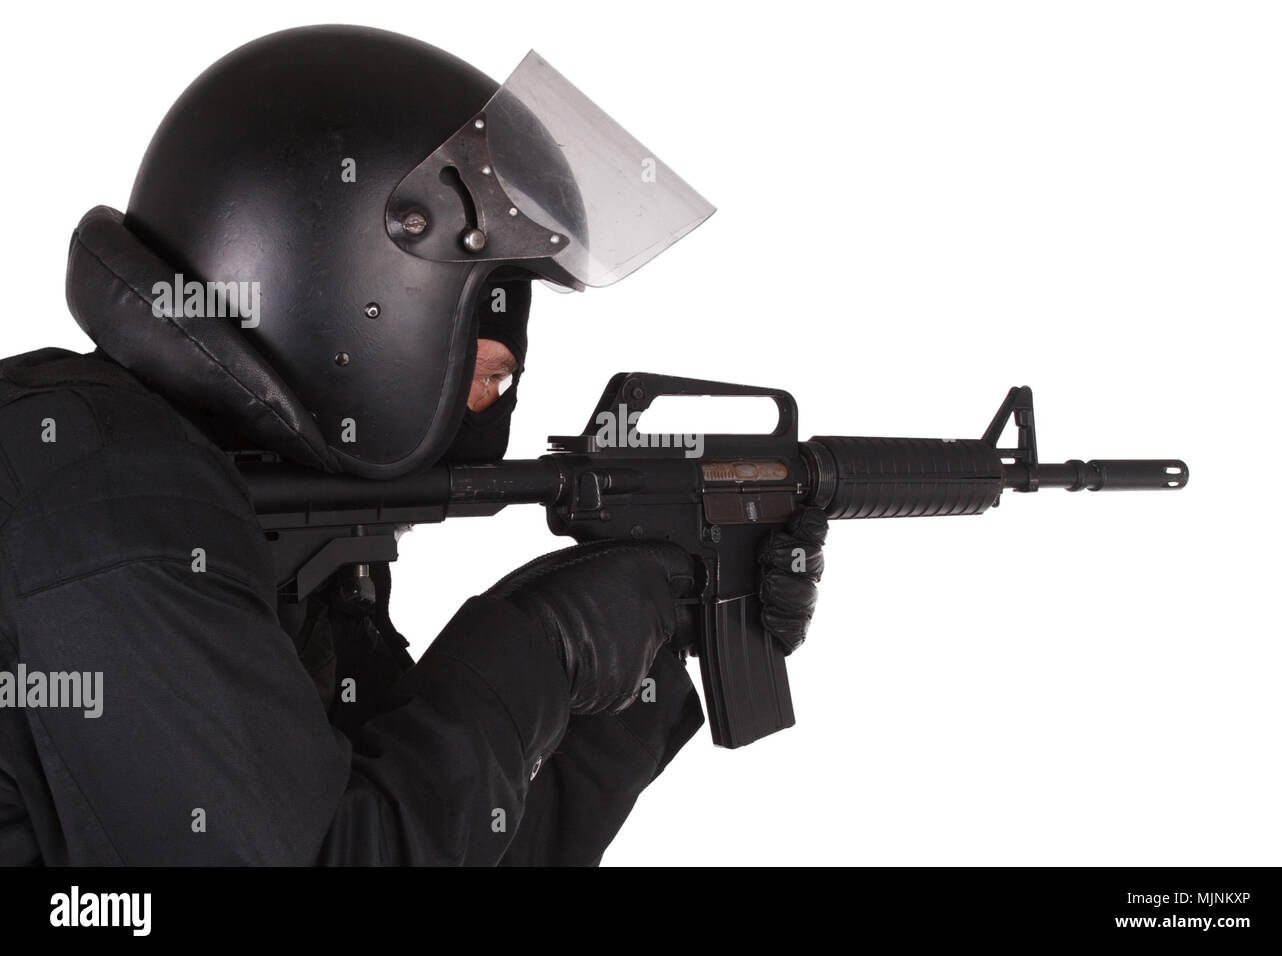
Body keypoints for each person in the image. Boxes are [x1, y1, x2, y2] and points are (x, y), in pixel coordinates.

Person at [0, 25, 826, 865]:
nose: (480, 412)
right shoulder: (117, 512)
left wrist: (652, 648)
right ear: (350, 306)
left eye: (499, 383)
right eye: (477, 371)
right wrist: (539, 643)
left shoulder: (262, 525)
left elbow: (464, 845)